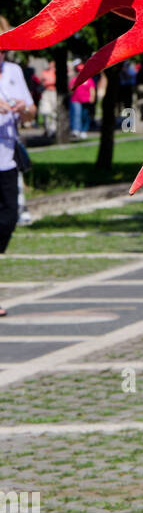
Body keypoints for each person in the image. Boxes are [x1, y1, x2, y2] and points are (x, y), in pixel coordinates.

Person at [0, 31, 36, 316]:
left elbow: (32, 112)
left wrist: (24, 110)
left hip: (7, 159)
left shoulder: (13, 71)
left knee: (11, 215)